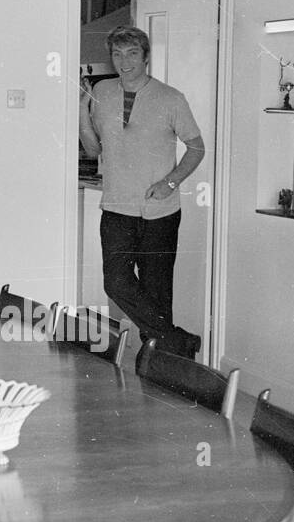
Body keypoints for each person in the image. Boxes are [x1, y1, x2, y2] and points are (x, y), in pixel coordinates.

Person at [79, 25, 205, 358]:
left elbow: (196, 147)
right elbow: (93, 151)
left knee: (158, 293)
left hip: (159, 212)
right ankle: (178, 343)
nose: (124, 62)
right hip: (116, 208)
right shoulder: (102, 92)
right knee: (116, 282)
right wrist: (81, 110)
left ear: (146, 57)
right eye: (117, 54)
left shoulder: (171, 98)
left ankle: (161, 368)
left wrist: (170, 182)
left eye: (132, 53)